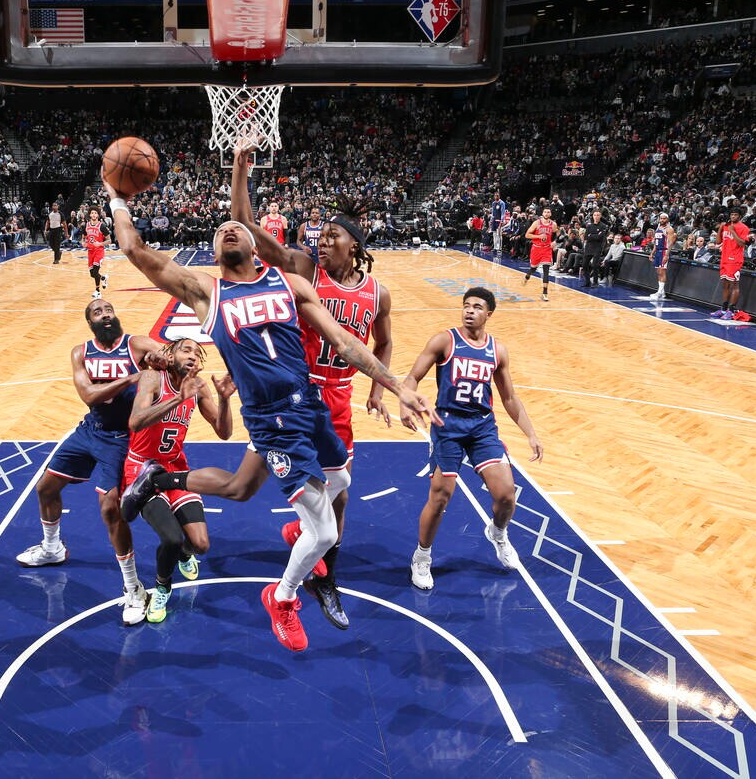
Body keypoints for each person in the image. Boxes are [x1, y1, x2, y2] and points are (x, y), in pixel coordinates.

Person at [104, 146, 434, 653]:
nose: (227, 230)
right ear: (214, 256)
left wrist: (397, 385)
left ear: (257, 245)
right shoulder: (205, 293)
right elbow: (134, 249)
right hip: (272, 420)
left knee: (315, 480)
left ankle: (161, 480)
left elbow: (347, 344)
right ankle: (282, 598)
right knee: (323, 532)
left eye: (234, 227)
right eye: (218, 233)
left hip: (311, 404)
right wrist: (116, 197)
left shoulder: (292, 280)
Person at [225, 166, 393, 631]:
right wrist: (242, 169)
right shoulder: (302, 268)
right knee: (244, 487)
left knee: (340, 494)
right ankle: (165, 483)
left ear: (354, 245)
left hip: (337, 398)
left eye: (332, 235)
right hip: (292, 393)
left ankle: (326, 578)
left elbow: (382, 344)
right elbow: (242, 222)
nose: (321, 240)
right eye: (318, 234)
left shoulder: (378, 293)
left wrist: (379, 387)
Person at [14, 299, 170, 626]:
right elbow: (88, 395)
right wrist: (131, 379)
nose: (106, 314)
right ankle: (52, 548)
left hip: (120, 439)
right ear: (90, 323)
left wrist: (163, 361)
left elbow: (166, 358)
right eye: (98, 312)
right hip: (89, 430)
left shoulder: (137, 344)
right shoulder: (80, 352)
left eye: (109, 309)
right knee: (46, 488)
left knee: (110, 509)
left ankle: (134, 589)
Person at [403, 287, 544, 590]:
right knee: (441, 495)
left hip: (482, 427)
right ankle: (422, 557)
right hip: (448, 425)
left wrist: (530, 433)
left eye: (477, 307)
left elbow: (509, 398)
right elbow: (413, 376)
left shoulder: (497, 350)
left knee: (506, 496)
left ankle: (498, 533)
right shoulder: (445, 340)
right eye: (466, 306)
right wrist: (407, 400)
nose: (469, 311)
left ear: (488, 314)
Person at [126, 338, 235, 623]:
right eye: (185, 350)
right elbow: (135, 422)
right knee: (171, 538)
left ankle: (186, 553)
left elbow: (224, 432)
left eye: (197, 354)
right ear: (169, 354)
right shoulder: (153, 378)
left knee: (200, 545)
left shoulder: (198, 386)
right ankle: (162, 587)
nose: (192, 356)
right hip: (142, 470)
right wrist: (177, 397)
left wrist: (224, 400)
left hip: (174, 467)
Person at [714, 209, 751, 319]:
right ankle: (724, 309)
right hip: (724, 258)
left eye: (735, 215)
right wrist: (721, 228)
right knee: (725, 284)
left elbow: (741, 243)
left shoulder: (744, 228)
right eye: (731, 214)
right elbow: (718, 242)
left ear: (739, 216)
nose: (733, 216)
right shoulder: (726, 226)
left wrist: (733, 231)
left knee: (734, 284)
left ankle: (731, 310)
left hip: (735, 259)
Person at [523, 208, 557, 301]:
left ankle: (545, 293)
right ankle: (527, 276)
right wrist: (538, 236)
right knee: (533, 268)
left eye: (548, 212)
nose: (546, 213)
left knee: (546, 270)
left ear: (550, 213)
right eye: (545, 212)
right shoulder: (536, 223)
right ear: (542, 213)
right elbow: (527, 235)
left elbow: (557, 234)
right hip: (536, 248)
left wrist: (554, 242)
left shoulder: (553, 224)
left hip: (547, 249)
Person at [648, 213, 676, 301]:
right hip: (658, 251)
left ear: (667, 219)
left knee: (662, 271)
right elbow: (656, 242)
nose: (662, 220)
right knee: (658, 271)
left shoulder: (670, 229)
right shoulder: (658, 228)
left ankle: (659, 292)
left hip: (664, 251)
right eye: (661, 218)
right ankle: (662, 292)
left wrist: (667, 255)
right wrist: (652, 253)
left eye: (664, 218)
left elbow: (671, 243)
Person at [84, 206, 109, 298]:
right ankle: (103, 278)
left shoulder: (102, 226)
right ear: (90, 214)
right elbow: (83, 237)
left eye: (95, 213)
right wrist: (83, 242)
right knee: (92, 274)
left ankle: (98, 291)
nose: (94, 215)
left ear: (98, 215)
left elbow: (109, 240)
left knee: (95, 271)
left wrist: (100, 243)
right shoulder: (86, 225)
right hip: (90, 251)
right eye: (92, 213)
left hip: (99, 251)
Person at [582, 210, 608, 287]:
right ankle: (587, 282)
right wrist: (595, 235)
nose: (596, 216)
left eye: (598, 215)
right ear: (593, 216)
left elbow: (600, 237)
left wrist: (591, 235)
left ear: (600, 216)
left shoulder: (603, 226)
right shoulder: (589, 226)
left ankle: (595, 282)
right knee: (584, 265)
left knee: (595, 265)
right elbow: (586, 237)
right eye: (595, 215)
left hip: (597, 247)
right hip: (589, 247)